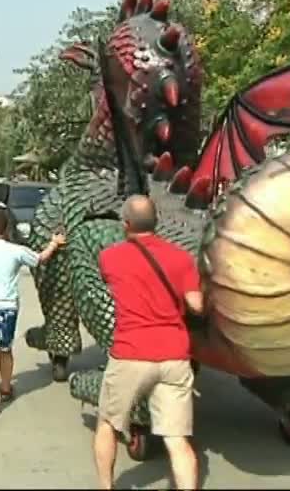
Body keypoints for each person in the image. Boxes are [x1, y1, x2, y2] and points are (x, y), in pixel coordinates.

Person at [94, 195, 204, 490]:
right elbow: (197, 306)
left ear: (125, 224)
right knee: (177, 439)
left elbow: (110, 282)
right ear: (157, 222)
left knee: (107, 424)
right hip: (174, 357)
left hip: (131, 355)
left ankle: (106, 486)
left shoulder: (110, 257)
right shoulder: (182, 258)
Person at [0, 208, 66, 417]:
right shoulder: (16, 250)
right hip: (8, 308)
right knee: (5, 349)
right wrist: (54, 243)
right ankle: (6, 388)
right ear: (7, 228)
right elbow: (40, 258)